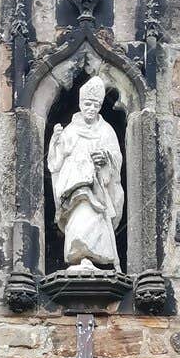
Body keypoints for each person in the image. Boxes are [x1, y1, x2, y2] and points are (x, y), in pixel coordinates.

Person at [47, 76, 125, 271]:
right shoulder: (71, 130)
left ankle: (91, 257)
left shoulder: (106, 131)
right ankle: (79, 256)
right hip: (75, 185)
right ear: (81, 104)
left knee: (94, 218)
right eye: (87, 104)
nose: (91, 108)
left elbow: (117, 158)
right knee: (79, 220)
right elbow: (56, 162)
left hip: (98, 187)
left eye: (95, 105)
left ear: (100, 107)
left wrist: (105, 160)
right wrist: (55, 141)